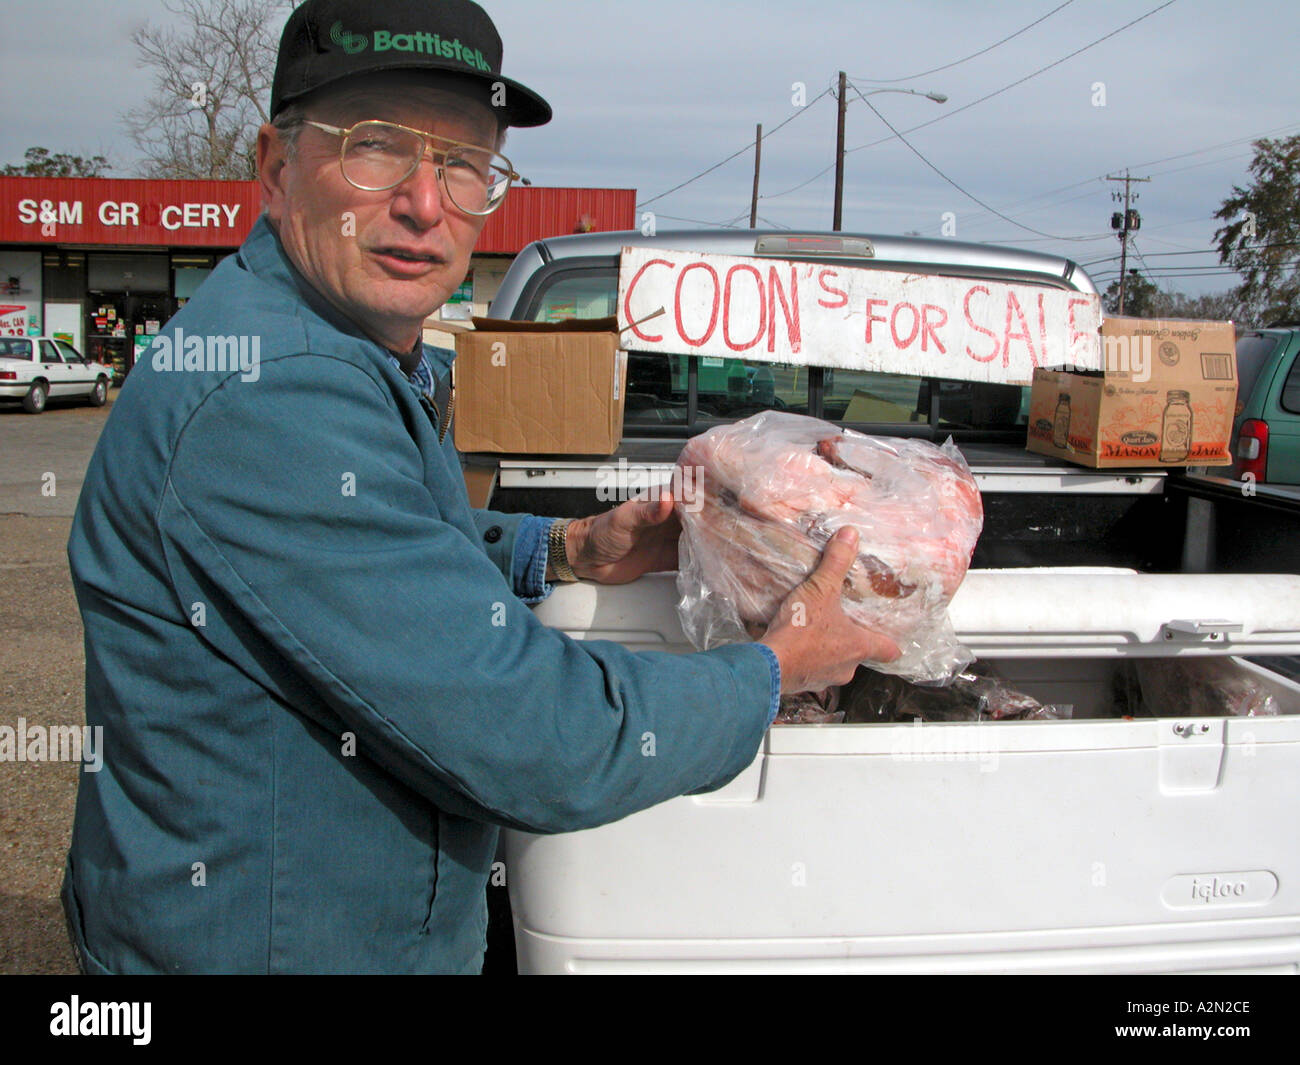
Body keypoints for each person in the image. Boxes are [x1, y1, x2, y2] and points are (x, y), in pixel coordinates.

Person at [62, 0, 896, 974]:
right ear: (276, 167)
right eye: (375, 147)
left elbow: (372, 540)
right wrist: (773, 671)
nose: (426, 203)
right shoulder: (274, 391)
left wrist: (562, 549)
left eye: (464, 163)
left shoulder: (322, 345)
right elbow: (531, 737)